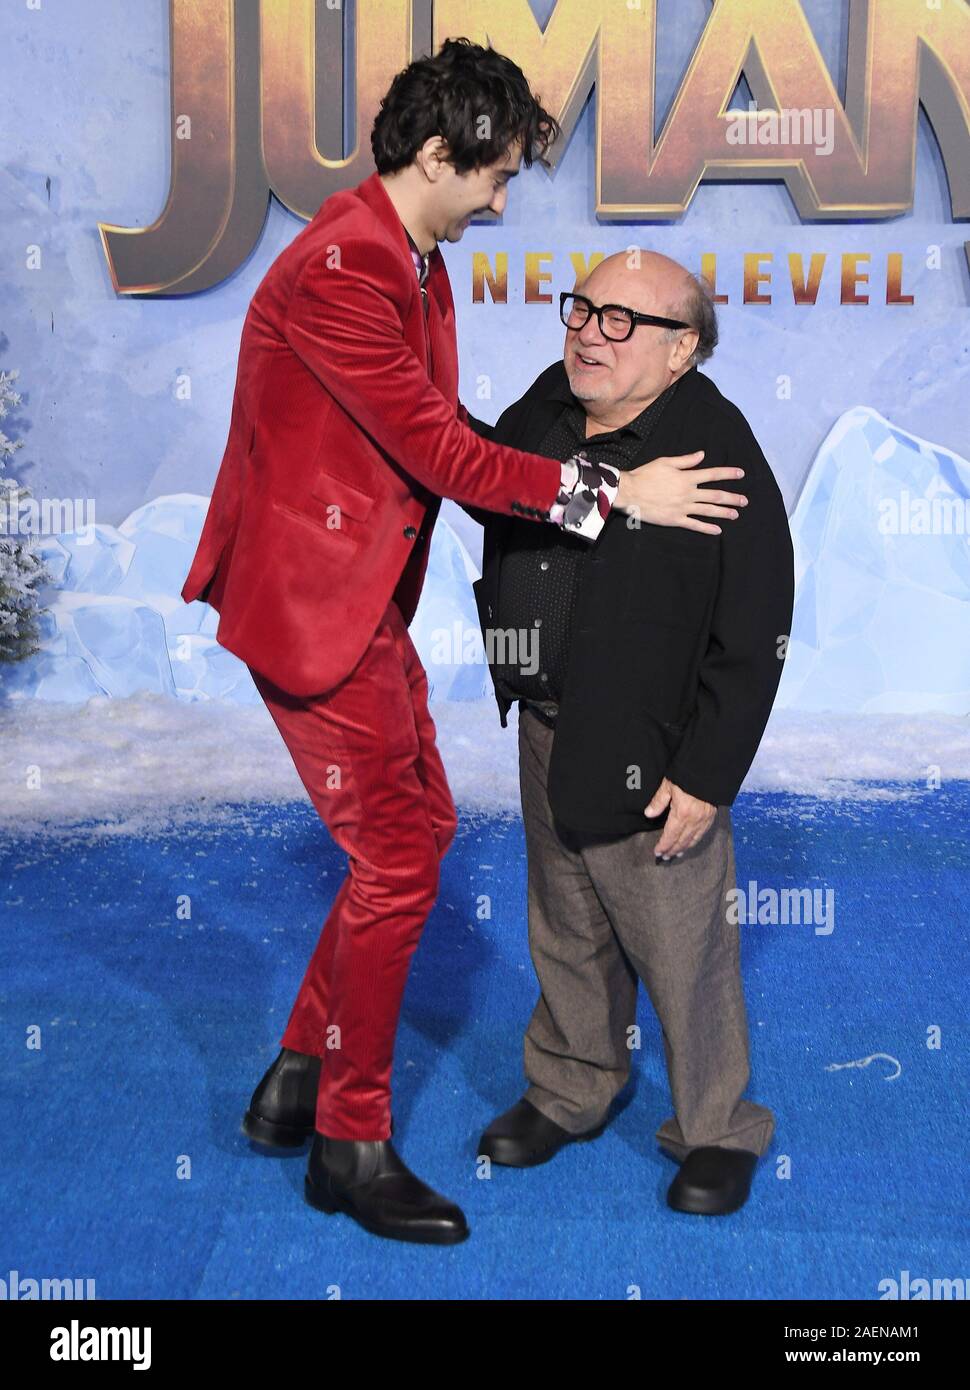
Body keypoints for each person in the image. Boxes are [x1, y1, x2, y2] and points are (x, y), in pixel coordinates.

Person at [180, 42, 748, 1246]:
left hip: (363, 594)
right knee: (397, 858)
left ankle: (293, 1079)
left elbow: (441, 438)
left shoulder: (407, 254)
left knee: (419, 832)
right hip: (311, 605)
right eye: (492, 176)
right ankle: (350, 1137)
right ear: (438, 155)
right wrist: (612, 494)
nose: (501, 200)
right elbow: (442, 452)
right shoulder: (343, 270)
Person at [470, 250, 794, 1216]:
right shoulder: (549, 405)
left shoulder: (717, 449)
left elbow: (756, 631)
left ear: (682, 348)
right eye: (581, 310)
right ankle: (573, 1083)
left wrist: (707, 777)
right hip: (546, 727)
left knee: (682, 950)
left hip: (655, 756)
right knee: (565, 928)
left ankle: (715, 1130)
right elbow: (493, 477)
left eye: (621, 322)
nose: (587, 333)